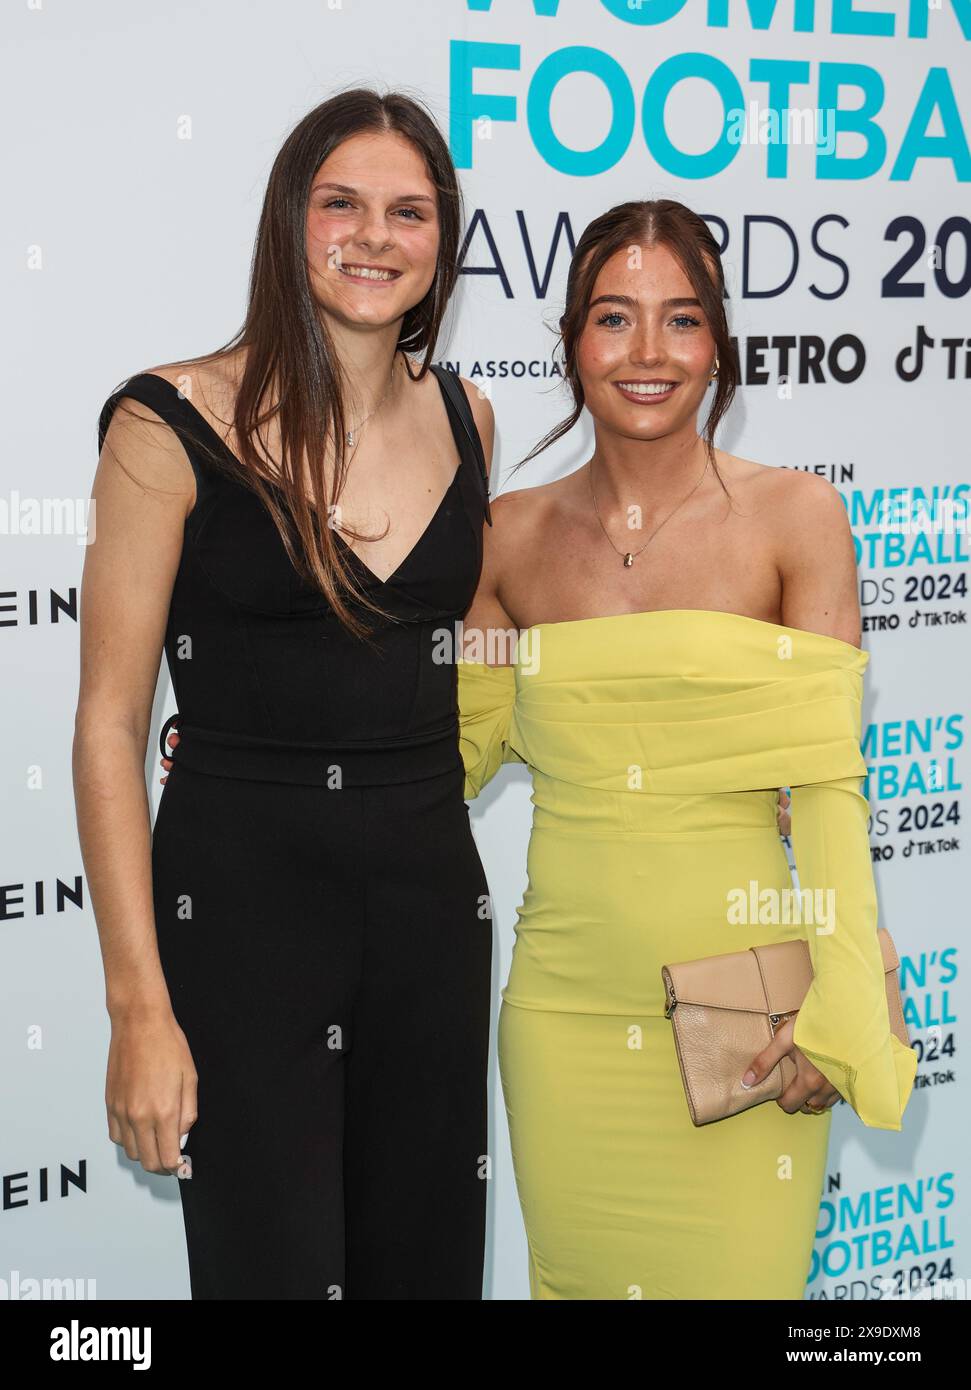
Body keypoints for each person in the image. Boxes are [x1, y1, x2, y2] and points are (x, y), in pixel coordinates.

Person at [74, 89, 496, 1300]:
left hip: (427, 909)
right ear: (287, 221)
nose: (375, 236)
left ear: (441, 239)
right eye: (341, 204)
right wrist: (138, 1010)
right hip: (242, 918)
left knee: (425, 1270)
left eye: (408, 211)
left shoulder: (468, 418)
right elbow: (107, 724)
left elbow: (478, 662)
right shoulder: (170, 420)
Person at [455, 199, 918, 1299]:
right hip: (561, 1016)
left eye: (681, 320)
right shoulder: (502, 536)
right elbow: (444, 755)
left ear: (718, 343)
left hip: (748, 1028)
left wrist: (844, 1012)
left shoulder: (795, 520)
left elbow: (828, 795)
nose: (649, 354)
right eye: (613, 319)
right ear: (569, 340)